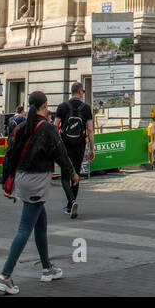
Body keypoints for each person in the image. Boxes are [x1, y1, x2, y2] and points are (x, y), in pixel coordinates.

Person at [0, 91, 77, 294]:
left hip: (22, 178)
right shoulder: (47, 128)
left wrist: (6, 182)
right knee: (24, 228)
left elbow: (9, 154)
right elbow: (60, 152)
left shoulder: (21, 127)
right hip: (37, 180)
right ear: (45, 105)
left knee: (41, 223)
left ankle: (47, 268)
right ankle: (5, 275)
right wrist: (72, 173)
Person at [55, 82, 93, 219]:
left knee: (65, 176)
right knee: (76, 174)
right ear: (80, 92)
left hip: (65, 146)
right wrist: (92, 149)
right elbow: (90, 130)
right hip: (79, 146)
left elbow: (55, 126)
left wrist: (55, 144)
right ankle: (71, 204)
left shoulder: (62, 107)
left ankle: (71, 202)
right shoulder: (86, 108)